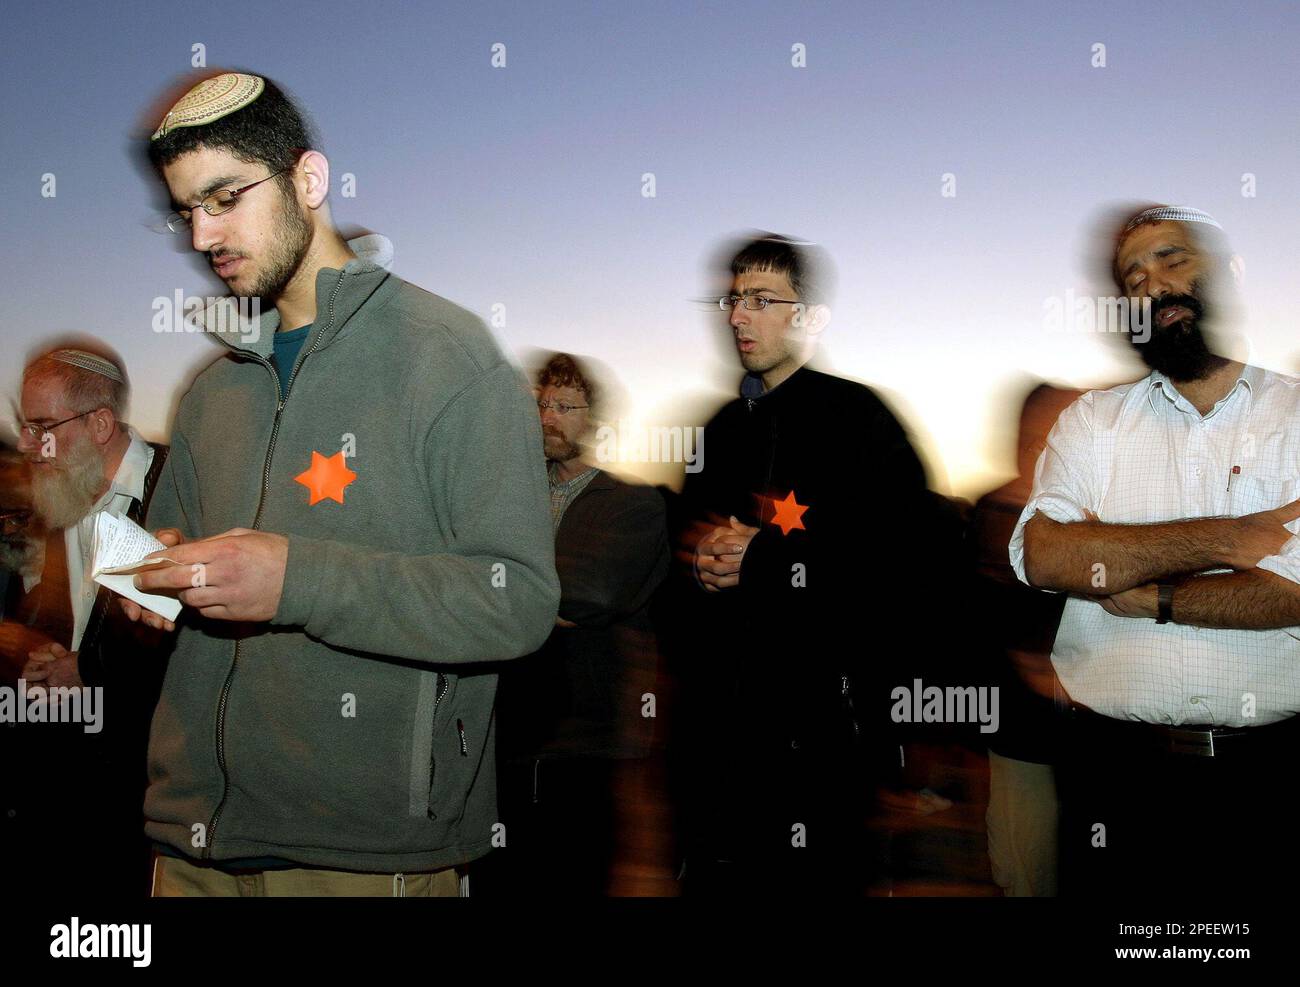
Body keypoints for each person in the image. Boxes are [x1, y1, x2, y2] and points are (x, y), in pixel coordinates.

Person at [123, 70, 559, 896]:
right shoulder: (212, 389)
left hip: (363, 853)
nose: (202, 235)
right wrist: (148, 584)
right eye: (186, 212)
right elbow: (167, 559)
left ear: (308, 179)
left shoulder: (447, 355)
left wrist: (297, 579)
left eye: (224, 198)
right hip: (192, 843)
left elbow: (518, 598)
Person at [1011, 204, 1300, 897]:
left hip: (1273, 781)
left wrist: (1159, 594)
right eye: (1132, 277)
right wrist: (1232, 537)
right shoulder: (1091, 421)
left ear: (1225, 272)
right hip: (1116, 783)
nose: (1153, 285)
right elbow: (1045, 554)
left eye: (1172, 259)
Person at [676, 232, 932, 895]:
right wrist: (697, 559)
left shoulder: (859, 418)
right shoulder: (720, 427)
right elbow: (685, 555)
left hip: (823, 743)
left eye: (761, 298)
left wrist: (769, 558)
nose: (737, 316)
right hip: (723, 744)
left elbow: (910, 561)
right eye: (733, 298)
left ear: (807, 315)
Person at [478, 352, 670, 896]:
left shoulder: (632, 504)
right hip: (499, 736)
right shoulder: (501, 498)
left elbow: (591, 594)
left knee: (573, 877)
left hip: (583, 743)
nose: (548, 416)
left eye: (566, 405)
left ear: (594, 422)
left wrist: (498, 595)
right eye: (540, 404)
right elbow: (461, 576)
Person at [0, 346, 171, 895]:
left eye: (43, 427)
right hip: (74, 776)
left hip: (159, 786)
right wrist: (51, 658)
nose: (29, 445)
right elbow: (68, 620)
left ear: (100, 423)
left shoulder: (180, 489)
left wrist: (90, 670)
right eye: (25, 427)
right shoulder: (60, 495)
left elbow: (194, 634)